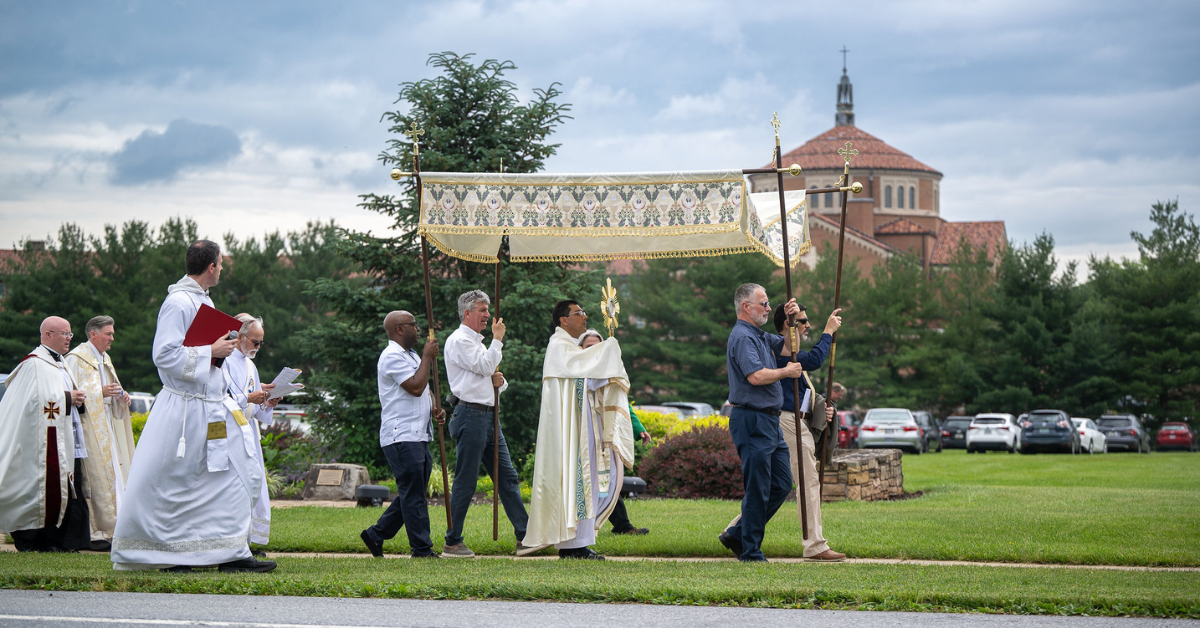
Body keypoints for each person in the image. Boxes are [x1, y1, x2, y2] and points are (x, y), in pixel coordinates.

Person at [111, 240, 275, 572]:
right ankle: (171, 554)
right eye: (221, 264)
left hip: (211, 407)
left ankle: (230, 551)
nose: (222, 269)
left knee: (229, 475)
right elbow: (164, 355)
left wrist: (218, 351)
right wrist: (211, 351)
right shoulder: (178, 302)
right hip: (184, 411)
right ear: (211, 266)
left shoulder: (203, 299)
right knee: (178, 483)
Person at [723, 303, 845, 562]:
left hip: (784, 419)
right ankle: (813, 544)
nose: (807, 325)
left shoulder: (767, 340)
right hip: (780, 421)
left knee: (777, 484)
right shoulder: (767, 347)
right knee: (804, 481)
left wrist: (819, 409)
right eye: (802, 321)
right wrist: (827, 332)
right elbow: (813, 360)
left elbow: (800, 387)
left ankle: (736, 531)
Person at [520, 301, 635, 559]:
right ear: (563, 319)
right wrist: (609, 348)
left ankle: (578, 543)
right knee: (575, 482)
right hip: (569, 433)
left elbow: (588, 377)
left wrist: (608, 357)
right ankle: (573, 546)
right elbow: (582, 368)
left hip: (582, 428)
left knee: (586, 483)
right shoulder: (559, 346)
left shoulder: (570, 348)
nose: (584, 317)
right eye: (578, 313)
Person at [718, 283, 807, 562]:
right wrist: (786, 372)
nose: (769, 308)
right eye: (764, 304)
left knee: (781, 483)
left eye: (768, 304)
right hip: (752, 419)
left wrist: (792, 321)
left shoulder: (760, 335)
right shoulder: (743, 337)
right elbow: (755, 376)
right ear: (746, 307)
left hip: (769, 420)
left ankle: (737, 534)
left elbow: (790, 347)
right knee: (758, 487)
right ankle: (750, 551)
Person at [442, 290, 527, 557]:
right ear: (467, 313)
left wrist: (499, 383)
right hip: (471, 416)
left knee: (507, 477)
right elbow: (485, 366)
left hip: (488, 416)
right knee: (466, 481)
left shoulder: (477, 343)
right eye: (482, 310)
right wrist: (497, 340)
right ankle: (452, 542)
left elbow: (492, 379)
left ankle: (526, 536)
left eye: (487, 310)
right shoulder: (459, 341)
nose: (488, 315)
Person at [0, 316, 91, 552]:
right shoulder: (34, 364)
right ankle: (34, 540)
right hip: (39, 443)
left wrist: (76, 398)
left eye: (70, 334)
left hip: (64, 437)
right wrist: (67, 398)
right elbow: (32, 402)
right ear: (48, 335)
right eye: (64, 334)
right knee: (39, 489)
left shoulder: (61, 363)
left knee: (67, 488)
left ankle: (60, 541)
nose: (69, 338)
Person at [360, 310, 445, 559]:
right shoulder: (391, 357)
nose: (418, 329)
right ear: (399, 329)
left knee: (412, 492)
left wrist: (435, 408)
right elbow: (415, 387)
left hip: (418, 435)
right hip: (401, 436)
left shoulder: (411, 355)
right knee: (414, 494)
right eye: (413, 325)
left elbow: (424, 388)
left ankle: (376, 534)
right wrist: (427, 357)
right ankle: (422, 549)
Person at [65, 315, 136, 551]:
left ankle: (115, 528)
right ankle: (96, 532)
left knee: (114, 474)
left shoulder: (105, 358)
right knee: (95, 478)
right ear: (93, 334)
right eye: (108, 334)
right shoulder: (76, 358)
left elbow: (112, 389)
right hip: (88, 428)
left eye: (112, 334)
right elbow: (71, 393)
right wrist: (100, 394)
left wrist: (121, 396)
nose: (112, 338)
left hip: (107, 425)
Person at [579, 329, 650, 536]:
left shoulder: (609, 372)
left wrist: (639, 429)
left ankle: (622, 525)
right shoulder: (573, 371)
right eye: (588, 346)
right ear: (580, 349)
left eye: (598, 346)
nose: (593, 350)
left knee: (608, 478)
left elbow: (621, 404)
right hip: (581, 436)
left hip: (604, 435)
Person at [222, 314, 280, 550]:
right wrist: (248, 398)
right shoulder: (223, 361)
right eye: (255, 342)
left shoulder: (250, 365)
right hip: (229, 430)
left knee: (253, 484)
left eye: (261, 343)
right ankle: (233, 540)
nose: (258, 347)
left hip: (248, 431)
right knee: (234, 486)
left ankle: (251, 540)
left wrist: (267, 402)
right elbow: (220, 397)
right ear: (239, 337)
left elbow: (254, 409)